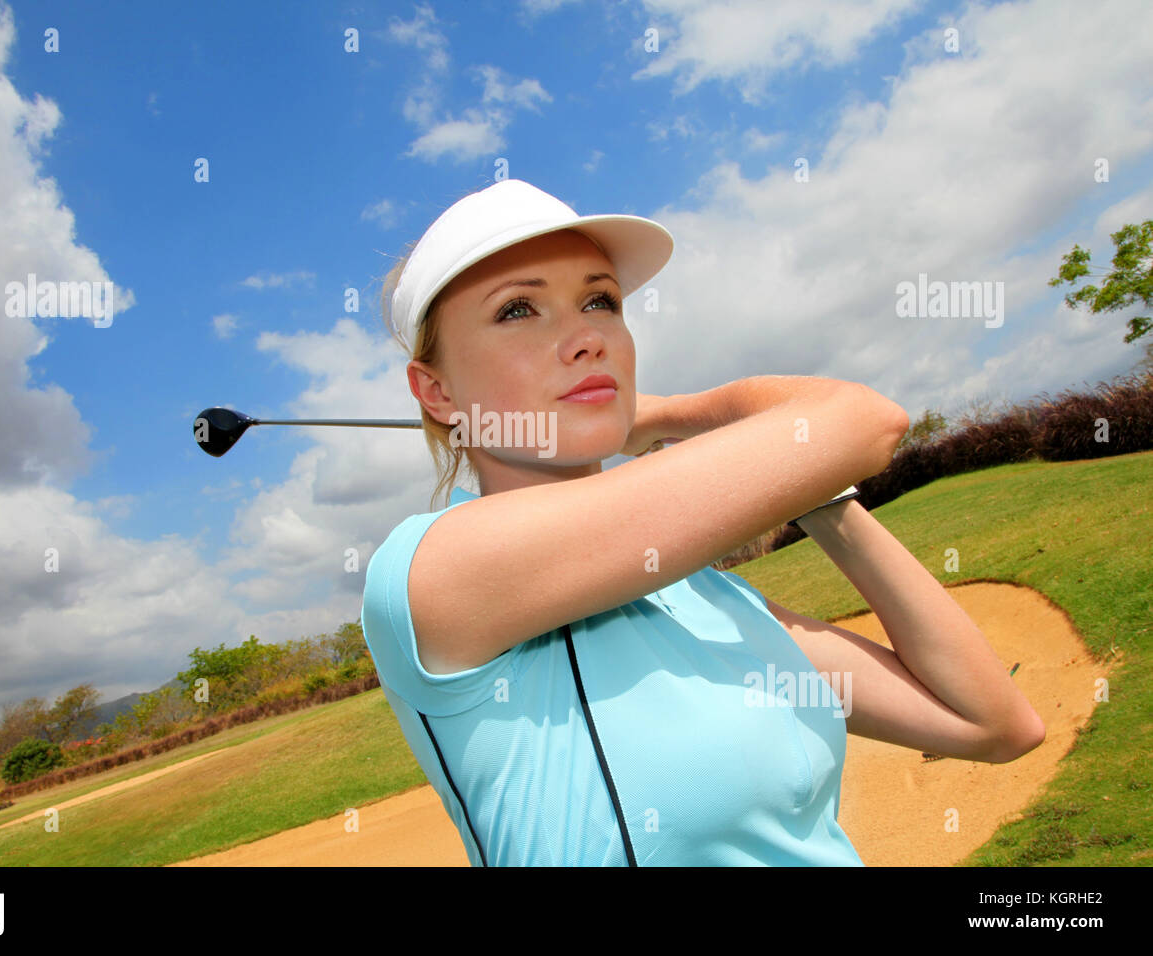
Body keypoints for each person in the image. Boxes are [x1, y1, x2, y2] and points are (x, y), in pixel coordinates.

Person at [359, 178, 1045, 866]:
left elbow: (993, 723)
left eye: (600, 300)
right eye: (517, 309)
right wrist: (694, 426)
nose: (585, 337)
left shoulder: (702, 594)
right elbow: (863, 420)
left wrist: (816, 495)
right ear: (437, 391)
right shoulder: (430, 572)